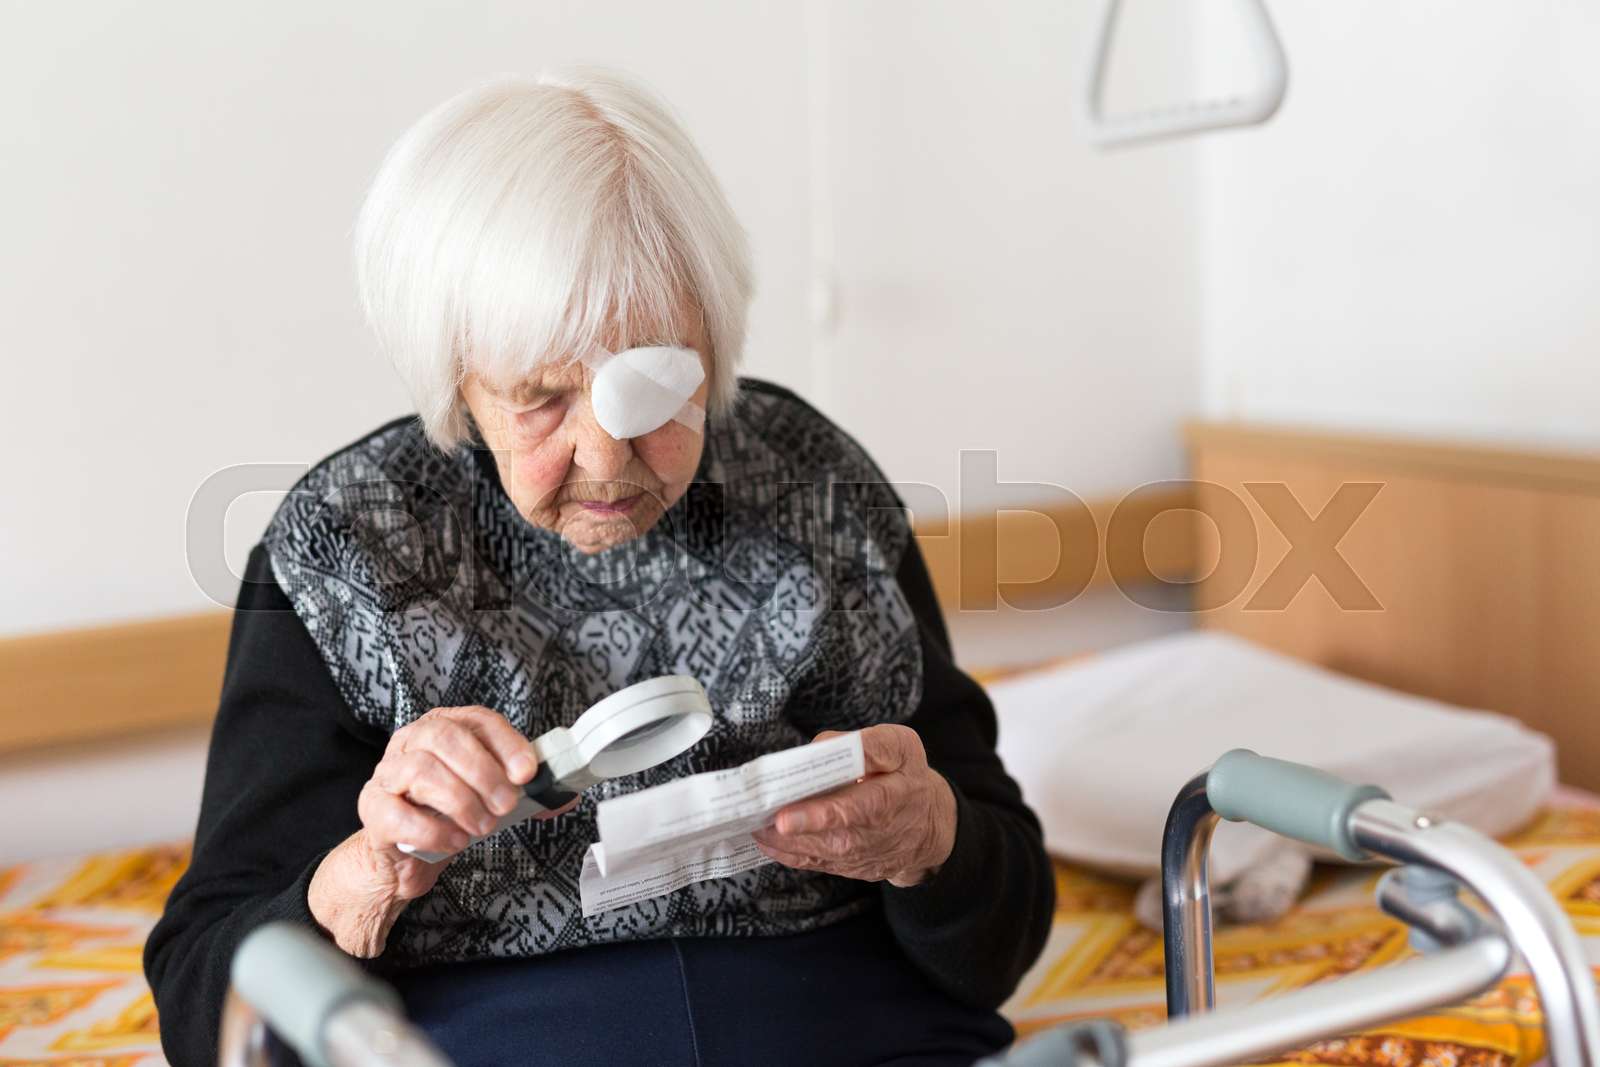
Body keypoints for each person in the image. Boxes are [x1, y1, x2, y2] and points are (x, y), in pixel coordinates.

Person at [145, 68, 1053, 1067]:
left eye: (657, 382)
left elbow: (1004, 928)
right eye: (541, 396)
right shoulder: (343, 547)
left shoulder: (813, 484)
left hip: (844, 1020)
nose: (610, 456)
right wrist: (359, 876)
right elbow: (203, 999)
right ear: (454, 375)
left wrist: (931, 837)